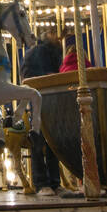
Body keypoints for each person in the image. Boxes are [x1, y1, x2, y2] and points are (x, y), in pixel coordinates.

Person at [20, 31, 64, 196]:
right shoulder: (43, 53)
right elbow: (29, 76)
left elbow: (26, 75)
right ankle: (46, 182)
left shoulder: (44, 53)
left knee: (45, 142)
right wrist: (48, 78)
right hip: (43, 99)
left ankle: (48, 182)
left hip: (41, 99)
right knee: (43, 142)